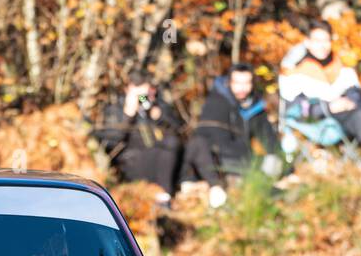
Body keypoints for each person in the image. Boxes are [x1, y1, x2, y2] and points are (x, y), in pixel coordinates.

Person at [279, 19, 361, 173]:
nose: (322, 45)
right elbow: (298, 109)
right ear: (307, 42)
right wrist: (329, 107)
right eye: (317, 40)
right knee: (358, 116)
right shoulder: (297, 70)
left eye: (326, 40)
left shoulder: (339, 63)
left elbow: (355, 91)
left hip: (347, 113)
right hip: (320, 122)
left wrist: (350, 101)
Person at [182, 63, 283, 207]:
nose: (242, 88)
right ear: (229, 82)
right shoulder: (217, 101)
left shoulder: (254, 104)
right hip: (214, 157)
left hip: (239, 157)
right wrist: (144, 100)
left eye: (246, 83)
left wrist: (275, 155)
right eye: (238, 83)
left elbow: (266, 134)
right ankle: (212, 186)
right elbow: (209, 135)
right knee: (190, 144)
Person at [93, 75, 185, 203]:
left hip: (156, 156)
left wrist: (159, 116)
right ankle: (153, 196)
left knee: (170, 144)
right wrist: (127, 115)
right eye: (139, 94)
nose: (143, 98)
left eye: (146, 94)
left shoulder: (151, 106)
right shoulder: (115, 109)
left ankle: (164, 196)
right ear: (127, 90)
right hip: (132, 159)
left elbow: (178, 128)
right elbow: (110, 142)